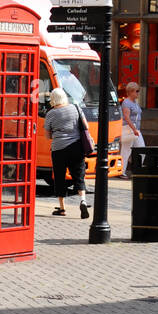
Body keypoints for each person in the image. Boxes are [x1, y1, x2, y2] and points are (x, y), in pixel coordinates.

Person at [44, 88, 90, 219]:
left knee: (59, 177)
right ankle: (83, 201)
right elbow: (86, 126)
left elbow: (47, 136)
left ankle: (62, 208)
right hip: (76, 147)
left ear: (53, 99)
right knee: (79, 175)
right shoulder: (75, 108)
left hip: (59, 149)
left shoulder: (51, 113)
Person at [119, 81, 145, 178]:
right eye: (137, 91)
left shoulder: (135, 102)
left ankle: (137, 170)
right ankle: (121, 171)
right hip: (129, 130)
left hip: (136, 130)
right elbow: (126, 117)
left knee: (142, 149)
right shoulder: (126, 102)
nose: (138, 93)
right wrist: (134, 129)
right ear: (130, 92)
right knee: (126, 151)